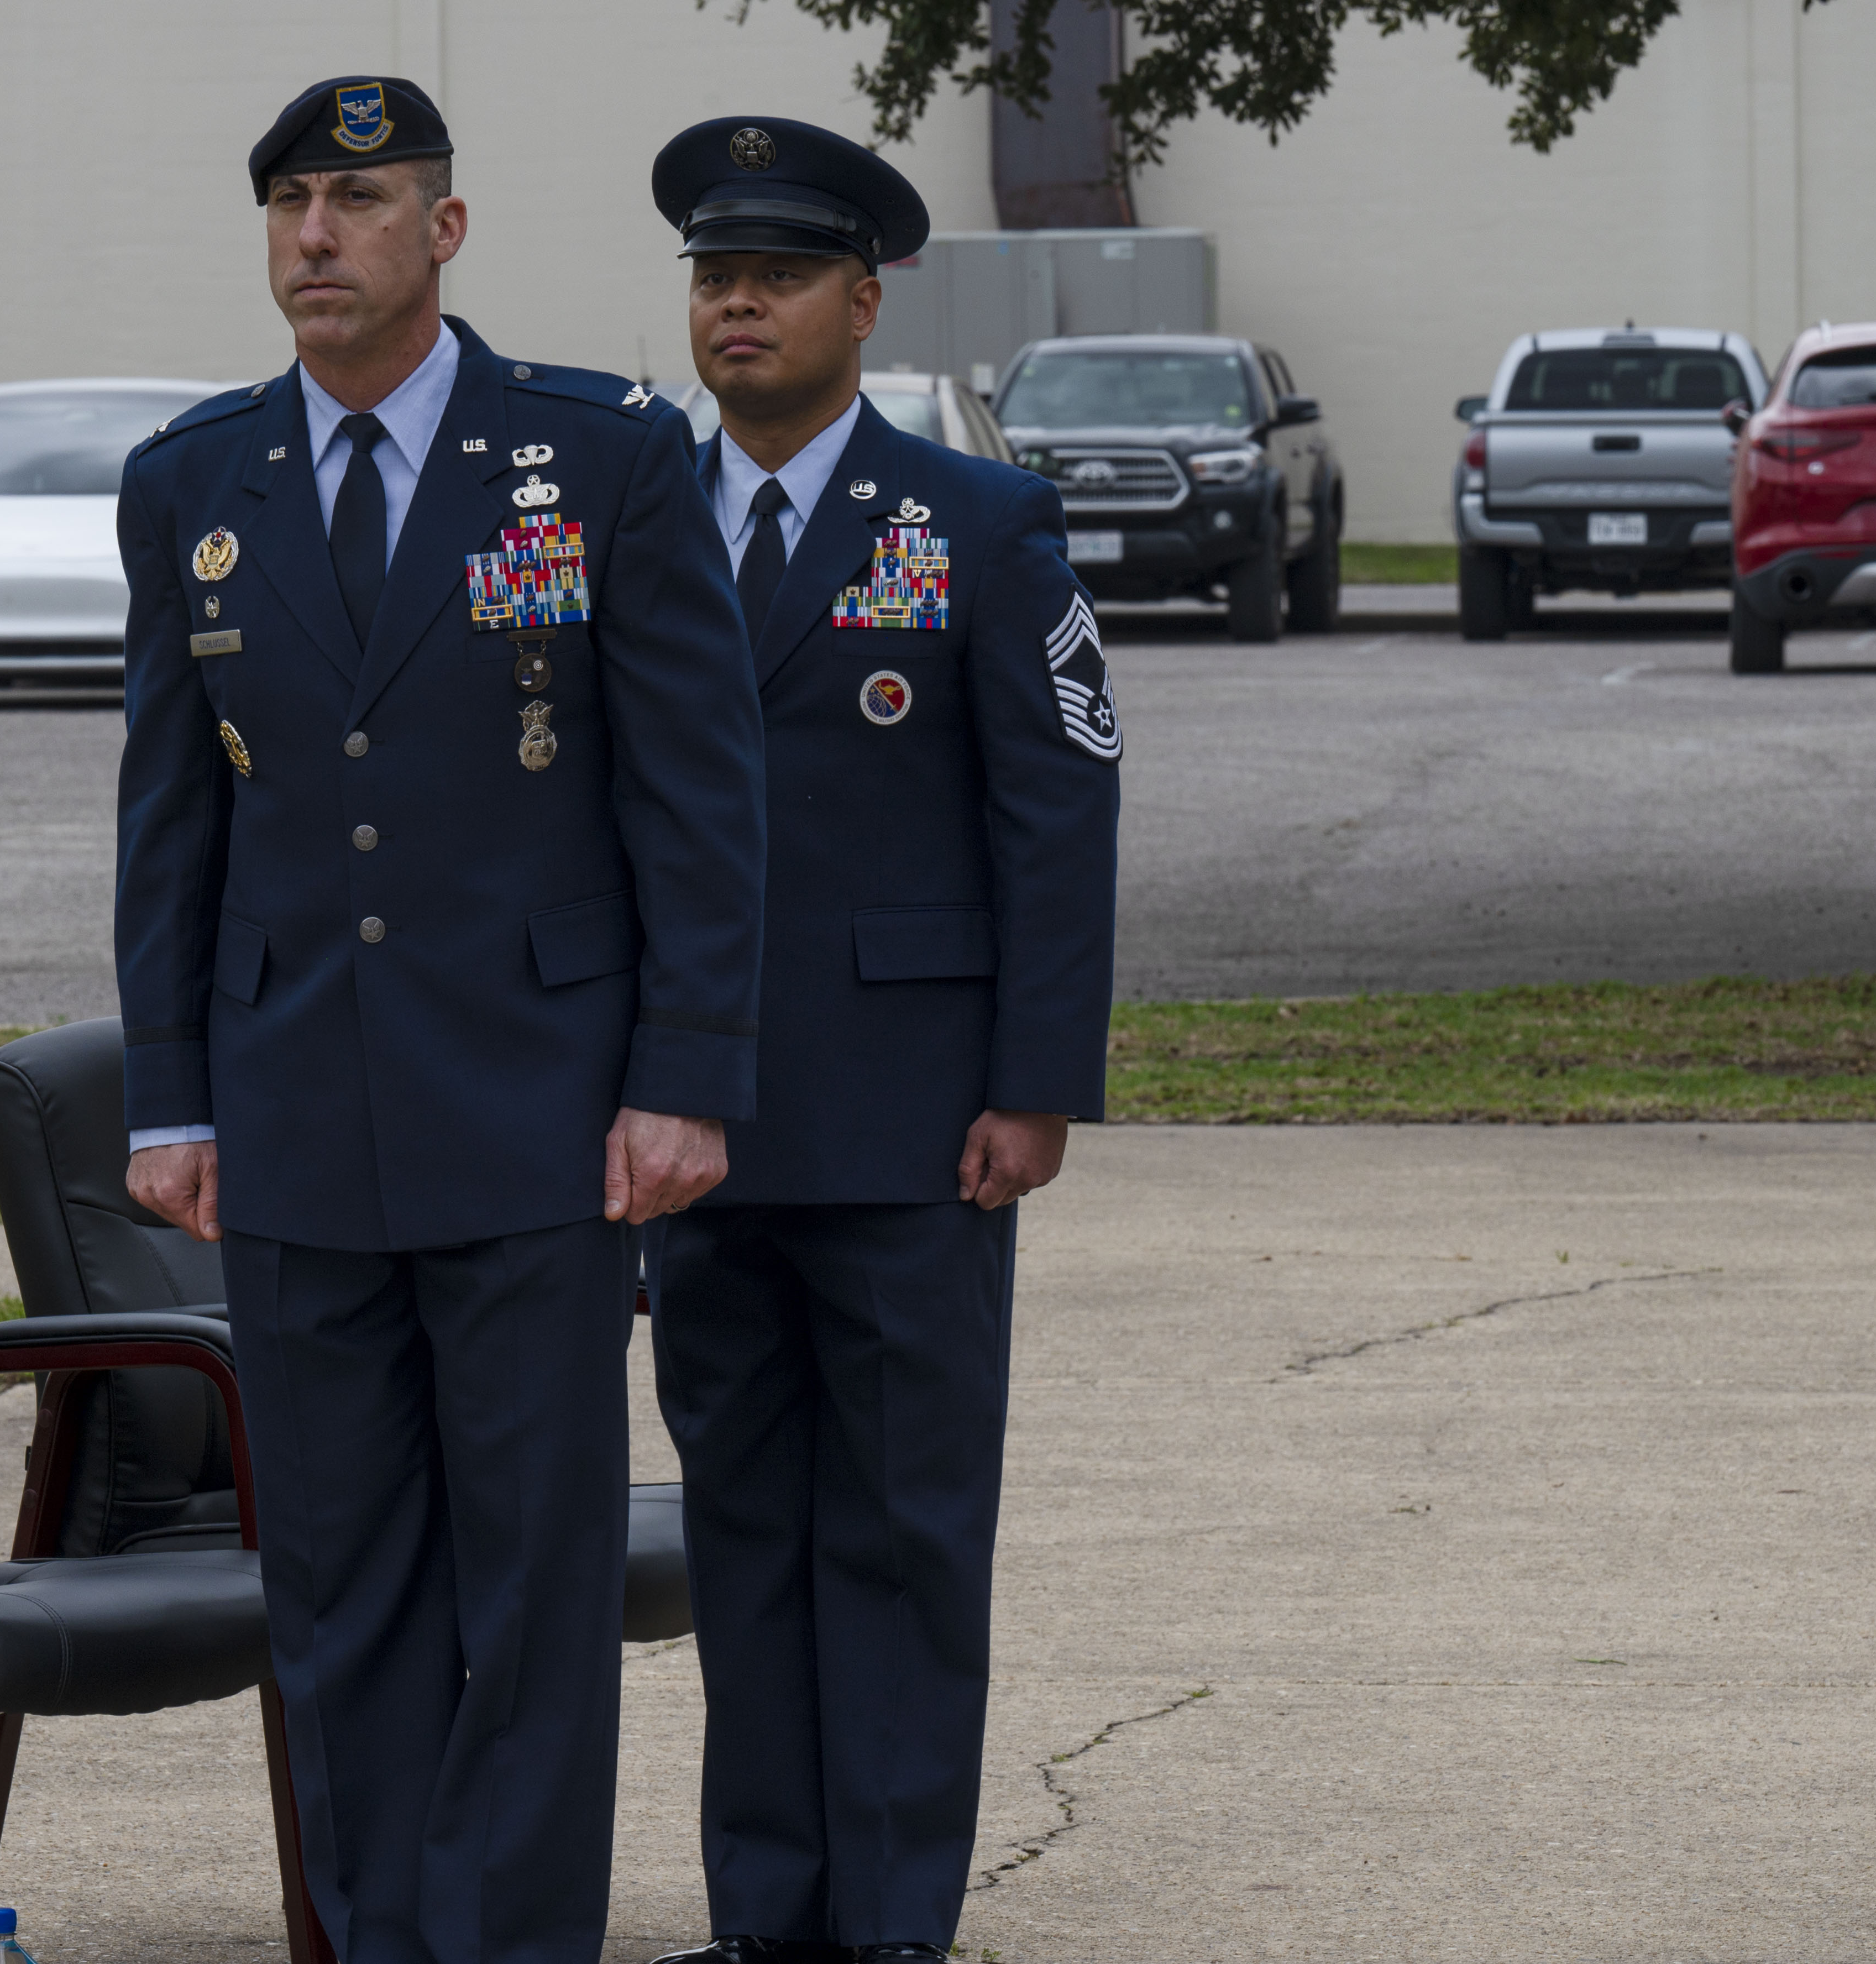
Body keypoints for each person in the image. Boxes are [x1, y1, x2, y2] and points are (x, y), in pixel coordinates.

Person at [112, 74, 767, 1964]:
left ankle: (513, 1938)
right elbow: (170, 814)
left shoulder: (600, 457)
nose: (315, 236)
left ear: (445, 230)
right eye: (288, 205)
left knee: (535, 1577)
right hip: (293, 1109)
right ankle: (385, 1932)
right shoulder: (195, 477)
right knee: (338, 1579)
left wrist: (683, 1074)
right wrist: (170, 1095)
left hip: (534, 1105)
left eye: (360, 200)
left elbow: (697, 795)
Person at [638, 118, 1122, 1964]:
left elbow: (1056, 808)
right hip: (695, 1120)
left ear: (863, 300)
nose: (737, 304)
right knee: (743, 1529)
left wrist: (1034, 1081)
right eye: (713, 275)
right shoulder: (622, 517)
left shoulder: (975, 523)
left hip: (915, 1124)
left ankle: (897, 1921)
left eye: (775, 276)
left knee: (906, 1534)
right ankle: (767, 1918)